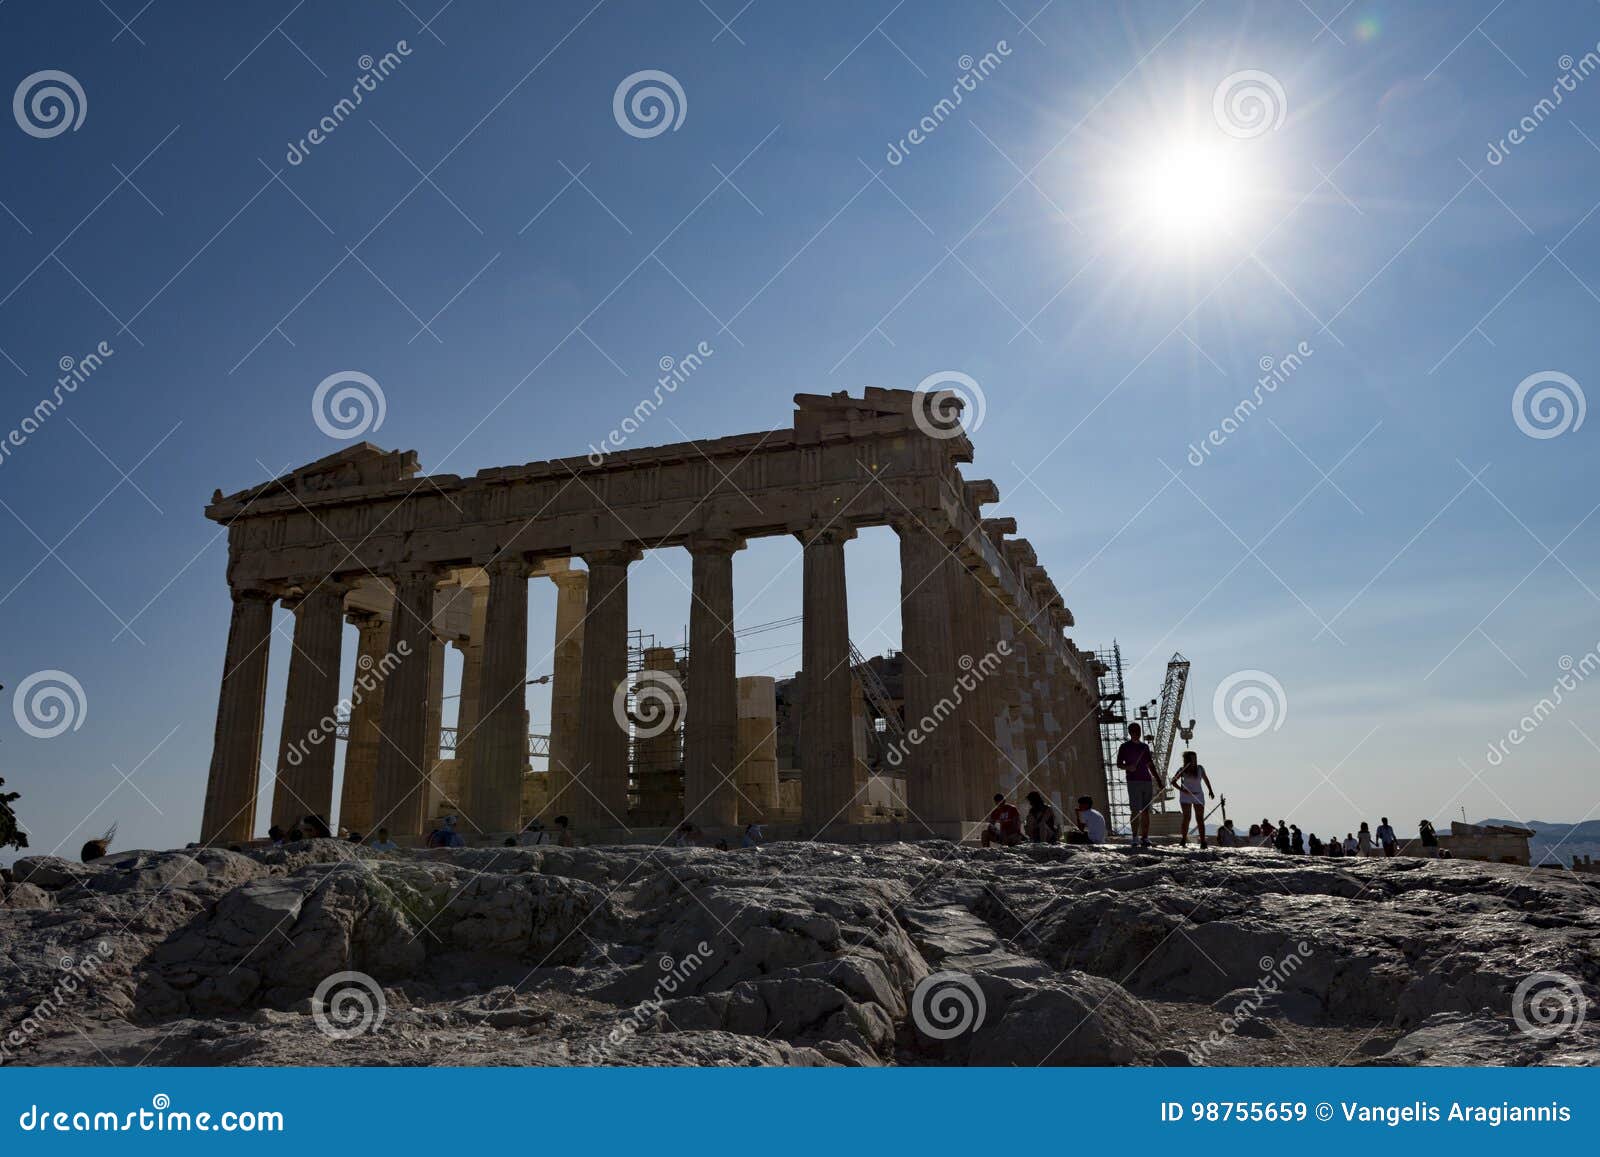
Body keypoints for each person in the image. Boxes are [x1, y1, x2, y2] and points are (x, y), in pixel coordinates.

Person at [1116, 723, 1157, 848]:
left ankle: (1145, 837)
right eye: (1134, 730)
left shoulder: (1145, 747)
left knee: (1146, 810)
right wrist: (1128, 767)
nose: (1137, 732)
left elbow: (1150, 765)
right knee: (1135, 810)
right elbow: (1119, 763)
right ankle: (1135, 837)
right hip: (1133, 781)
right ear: (1130, 732)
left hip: (1147, 780)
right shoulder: (1124, 747)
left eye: (1138, 730)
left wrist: (1158, 780)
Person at [1171, 751, 1215, 848]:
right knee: (1187, 817)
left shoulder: (1200, 768)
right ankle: (1183, 839)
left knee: (1200, 818)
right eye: (1192, 758)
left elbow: (1206, 779)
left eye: (1195, 758)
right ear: (1187, 760)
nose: (1194, 760)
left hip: (1198, 795)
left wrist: (1210, 790)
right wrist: (1181, 789)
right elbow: (1173, 781)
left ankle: (1203, 841)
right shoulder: (1182, 769)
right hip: (1185, 796)